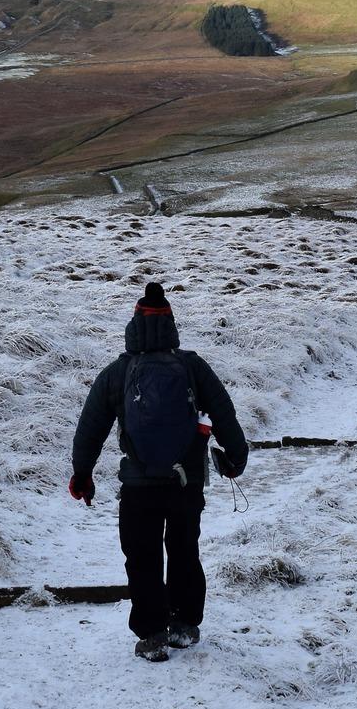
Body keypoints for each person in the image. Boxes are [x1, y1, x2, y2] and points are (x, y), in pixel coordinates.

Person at [70, 281, 249, 662]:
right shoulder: (192, 366)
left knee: (142, 556)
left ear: (133, 326)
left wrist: (82, 475)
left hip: (138, 484)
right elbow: (224, 413)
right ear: (171, 325)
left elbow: (90, 428)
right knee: (185, 550)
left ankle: (152, 635)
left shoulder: (117, 373)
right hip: (186, 481)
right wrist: (235, 457)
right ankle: (185, 625)